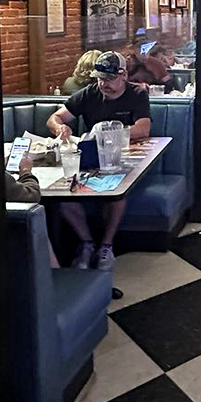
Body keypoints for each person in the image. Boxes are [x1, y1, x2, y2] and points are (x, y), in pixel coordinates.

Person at [47, 51, 151, 271]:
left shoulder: (137, 94)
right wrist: (60, 127)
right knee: (63, 196)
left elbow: (143, 128)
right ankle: (86, 243)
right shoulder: (88, 94)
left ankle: (106, 245)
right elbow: (55, 117)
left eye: (110, 79)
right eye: (100, 78)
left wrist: (110, 134)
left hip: (121, 160)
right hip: (89, 159)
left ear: (123, 75)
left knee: (117, 193)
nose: (104, 84)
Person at [5, 156, 60, 268]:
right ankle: (53, 276)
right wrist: (26, 171)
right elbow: (31, 195)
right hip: (7, 244)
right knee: (36, 225)